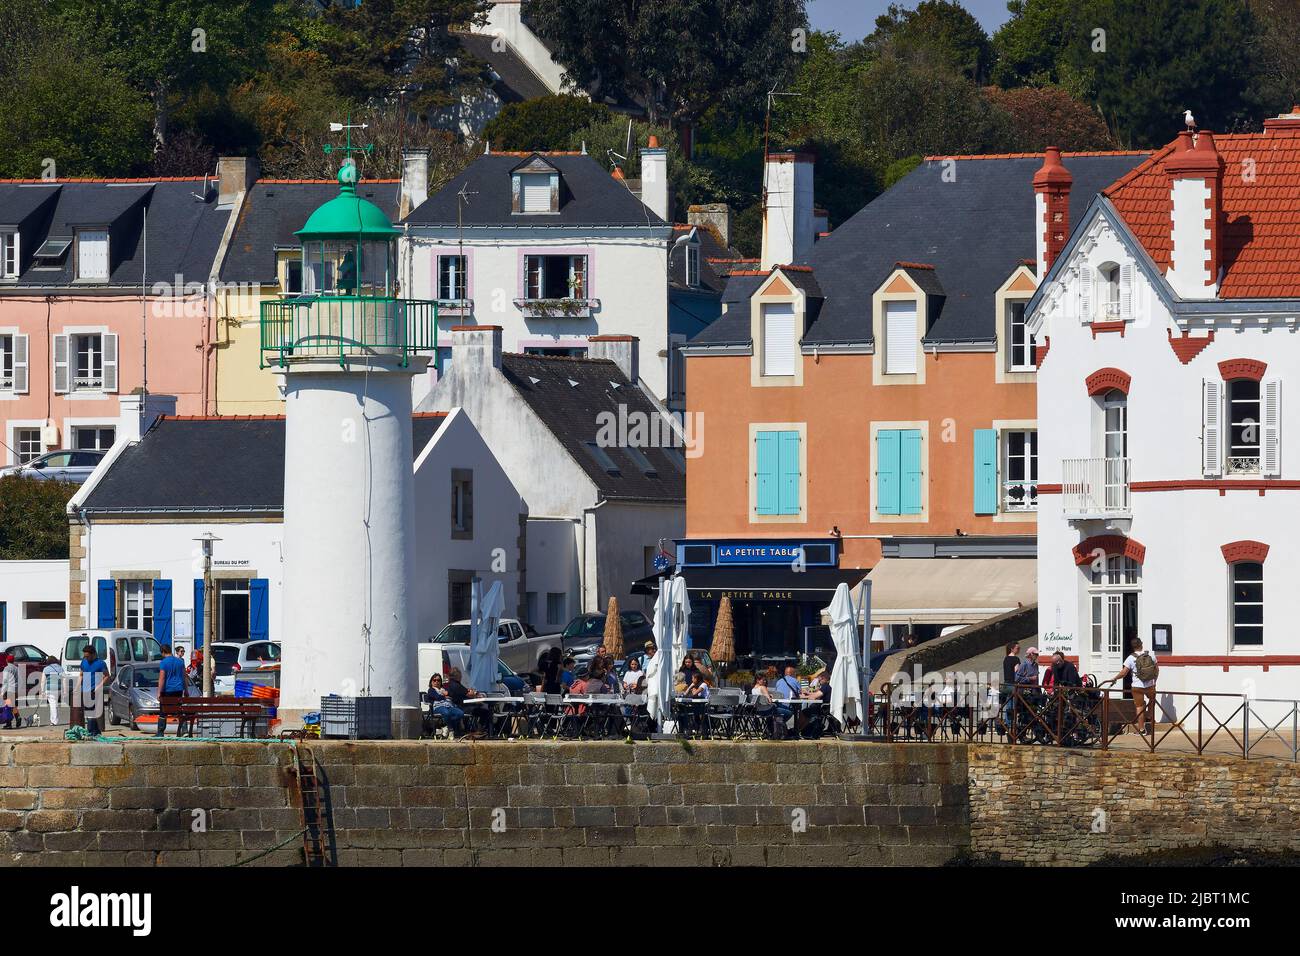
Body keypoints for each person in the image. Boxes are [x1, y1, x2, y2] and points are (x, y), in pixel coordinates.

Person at [1103, 638, 1158, 735]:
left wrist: (1115, 678)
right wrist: (1154, 682)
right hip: (1150, 685)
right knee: (1152, 700)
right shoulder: (1151, 655)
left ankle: (1141, 730)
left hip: (1137, 686)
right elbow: (1157, 670)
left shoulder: (1130, 658)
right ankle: (1150, 717)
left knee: (1139, 706)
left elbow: (1124, 672)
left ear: (1132, 647)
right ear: (1141, 644)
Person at [155, 643, 188, 737]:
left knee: (163, 711)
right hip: (178, 690)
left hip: (167, 690)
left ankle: (160, 732)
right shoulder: (180, 662)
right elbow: (184, 677)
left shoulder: (164, 662)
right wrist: (186, 690)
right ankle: (184, 730)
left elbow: (162, 678)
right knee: (179, 710)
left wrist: (159, 693)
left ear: (163, 652)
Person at [445, 667, 486, 737]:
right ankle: (479, 730)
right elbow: (470, 694)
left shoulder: (450, 684)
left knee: (479, 707)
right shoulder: (457, 685)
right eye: (460, 675)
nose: (461, 677)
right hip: (463, 707)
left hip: (458, 706)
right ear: (457, 676)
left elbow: (465, 691)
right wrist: (474, 692)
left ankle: (470, 729)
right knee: (485, 712)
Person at [79, 645, 108, 736]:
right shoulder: (83, 662)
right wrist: (77, 687)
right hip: (85, 691)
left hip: (94, 691)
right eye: (85, 656)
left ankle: (91, 732)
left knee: (90, 712)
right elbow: (81, 674)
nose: (86, 658)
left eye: (87, 656)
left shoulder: (101, 663)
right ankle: (97, 732)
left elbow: (107, 676)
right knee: (88, 713)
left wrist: (98, 687)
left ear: (93, 654)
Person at [41, 655, 63, 726]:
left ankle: (54, 721)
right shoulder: (60, 668)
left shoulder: (46, 669)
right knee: (54, 703)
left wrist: (42, 691)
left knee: (52, 704)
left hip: (50, 689)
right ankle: (52, 720)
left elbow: (43, 681)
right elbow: (64, 679)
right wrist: (65, 690)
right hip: (58, 688)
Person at [0, 653, 19, 729]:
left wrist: (2, 691)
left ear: (7, 660)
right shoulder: (16, 668)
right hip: (15, 689)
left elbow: (5, 681)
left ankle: (9, 724)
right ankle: (18, 718)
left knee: (7, 706)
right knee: (12, 705)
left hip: (8, 689)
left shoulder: (6, 668)